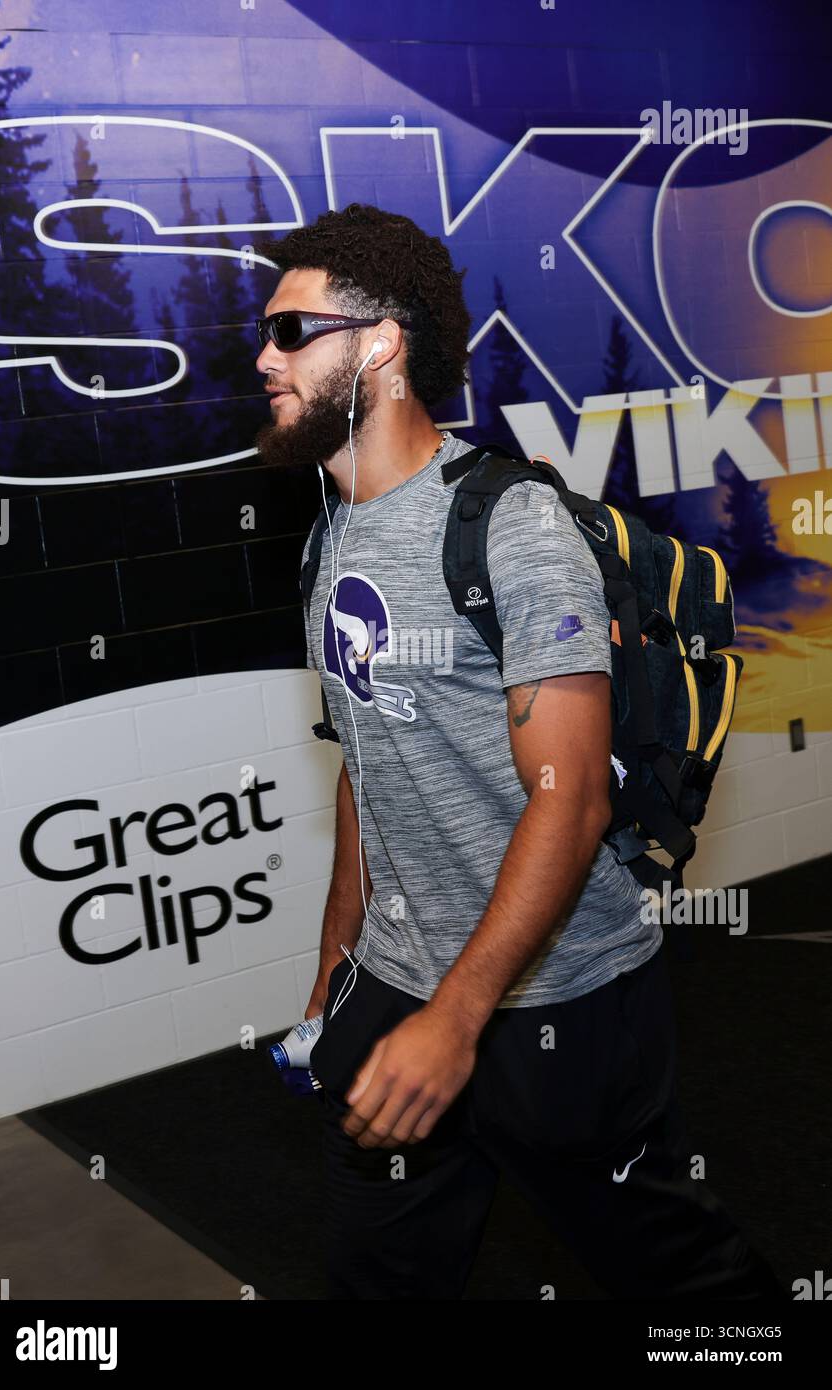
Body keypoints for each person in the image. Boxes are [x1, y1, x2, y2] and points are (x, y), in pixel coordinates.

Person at [254, 203, 782, 1301]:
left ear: (381, 345)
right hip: (394, 992)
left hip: (559, 1002)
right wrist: (334, 967)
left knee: (673, 1273)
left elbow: (572, 798)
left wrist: (459, 1017)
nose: (264, 358)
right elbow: (364, 755)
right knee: (375, 1271)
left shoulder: (512, 529)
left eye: (292, 332)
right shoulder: (328, 533)